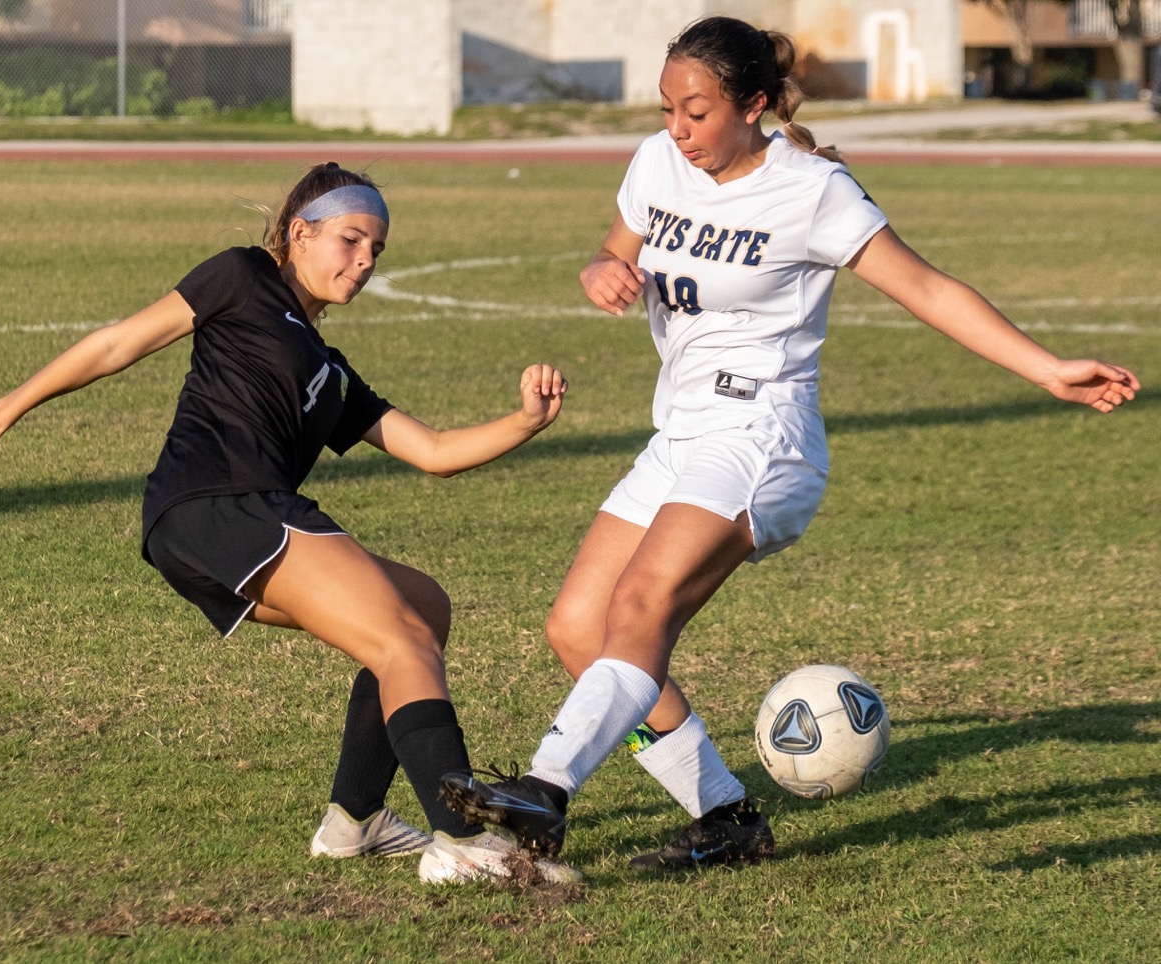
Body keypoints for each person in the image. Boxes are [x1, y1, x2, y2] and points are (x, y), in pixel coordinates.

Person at [440, 16, 1140, 871]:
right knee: (579, 631)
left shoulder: (812, 191)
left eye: (695, 112)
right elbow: (615, 247)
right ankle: (727, 819)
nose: (676, 129)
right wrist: (600, 269)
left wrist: (1046, 370)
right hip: (682, 431)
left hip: (762, 434)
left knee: (639, 613)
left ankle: (544, 789)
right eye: (666, 108)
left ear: (755, 105)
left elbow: (926, 287)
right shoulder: (658, 162)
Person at [0, 161, 579, 886]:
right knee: (400, 636)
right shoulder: (244, 277)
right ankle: (465, 843)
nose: (364, 262)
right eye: (350, 240)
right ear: (299, 234)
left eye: (377, 252)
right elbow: (119, 342)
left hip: (228, 524)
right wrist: (4, 410)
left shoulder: (331, 371)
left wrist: (526, 421)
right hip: (217, 504)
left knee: (421, 608)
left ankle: (354, 821)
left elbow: (432, 452)